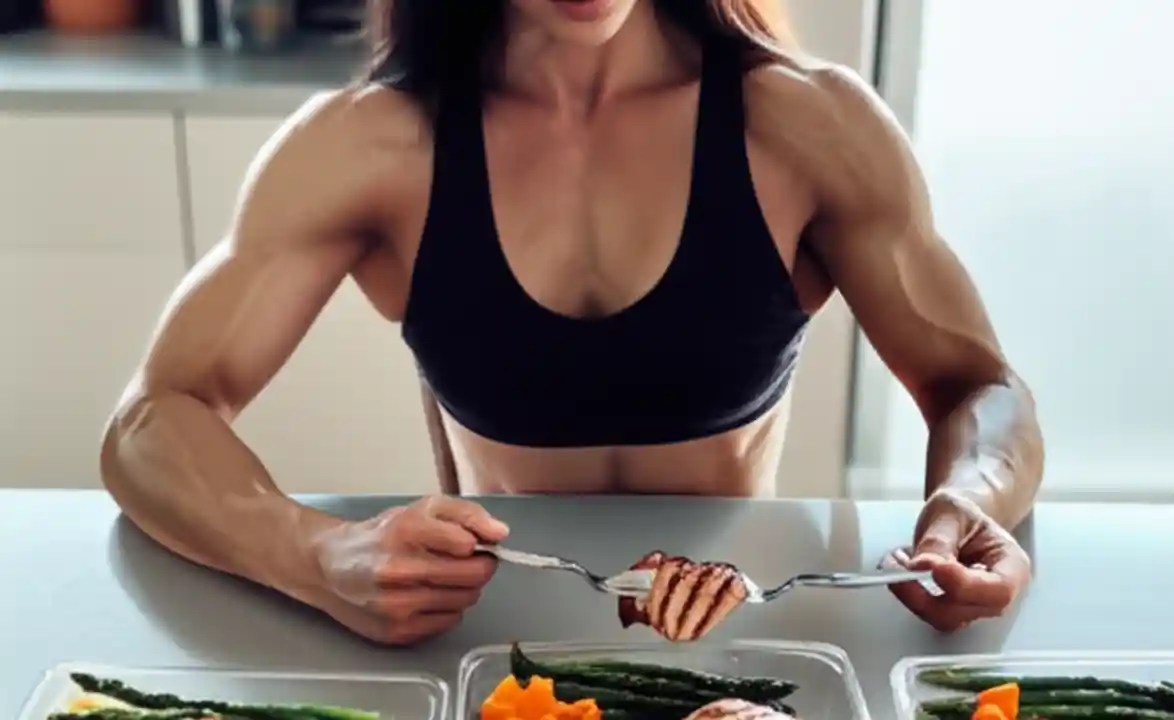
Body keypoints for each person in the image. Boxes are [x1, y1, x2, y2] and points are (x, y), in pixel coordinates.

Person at [100, 0, 1044, 645]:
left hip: (743, 642)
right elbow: (150, 424)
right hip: (491, 642)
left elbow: (980, 390)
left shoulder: (808, 125)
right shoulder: (369, 144)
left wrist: (967, 503)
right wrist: (317, 553)